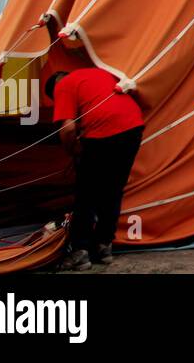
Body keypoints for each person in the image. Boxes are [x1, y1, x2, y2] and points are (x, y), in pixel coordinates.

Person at [45, 68, 145, 271]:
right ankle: (103, 246)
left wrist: (73, 150)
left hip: (103, 133)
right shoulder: (95, 73)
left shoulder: (63, 86)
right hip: (133, 126)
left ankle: (80, 252)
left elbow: (68, 128)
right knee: (113, 189)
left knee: (86, 194)